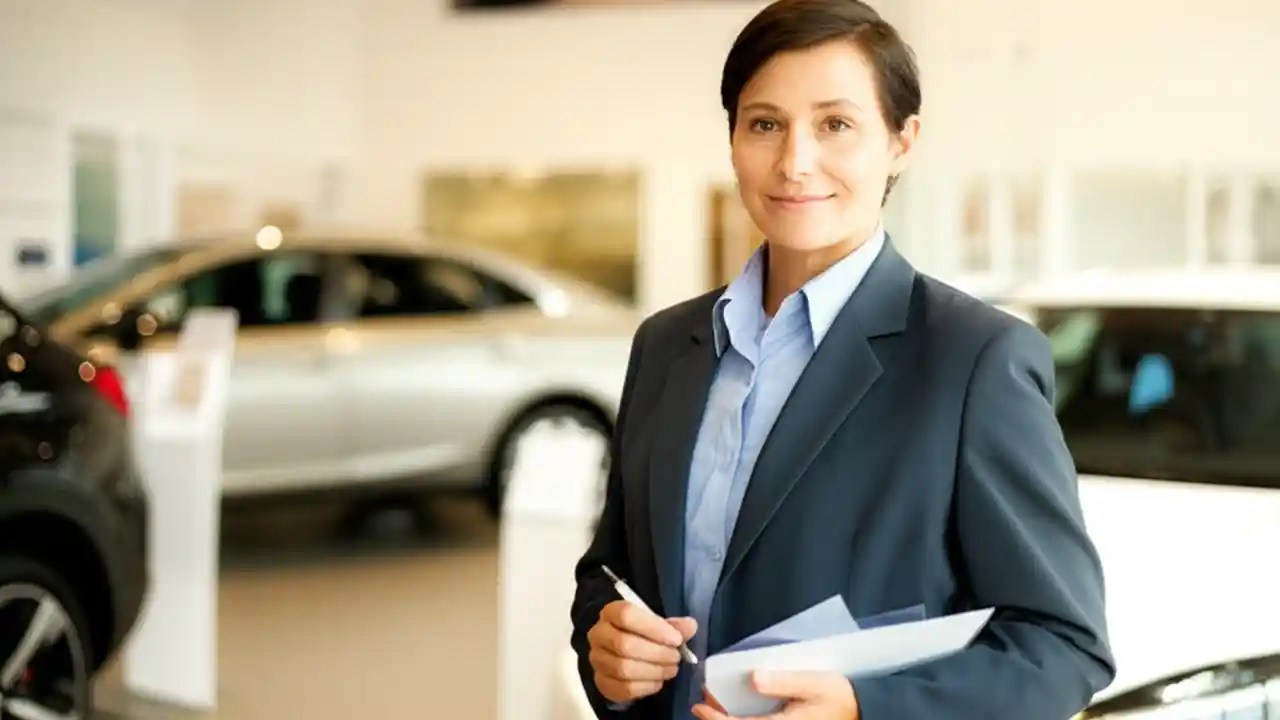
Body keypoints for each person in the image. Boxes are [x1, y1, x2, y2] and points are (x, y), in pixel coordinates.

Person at [569, 0, 1116, 717]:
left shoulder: (975, 360)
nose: (795, 162)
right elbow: (609, 574)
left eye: (836, 125)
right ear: (732, 140)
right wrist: (608, 645)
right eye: (765, 124)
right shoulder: (668, 345)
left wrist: (864, 709)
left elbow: (1062, 646)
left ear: (901, 141)